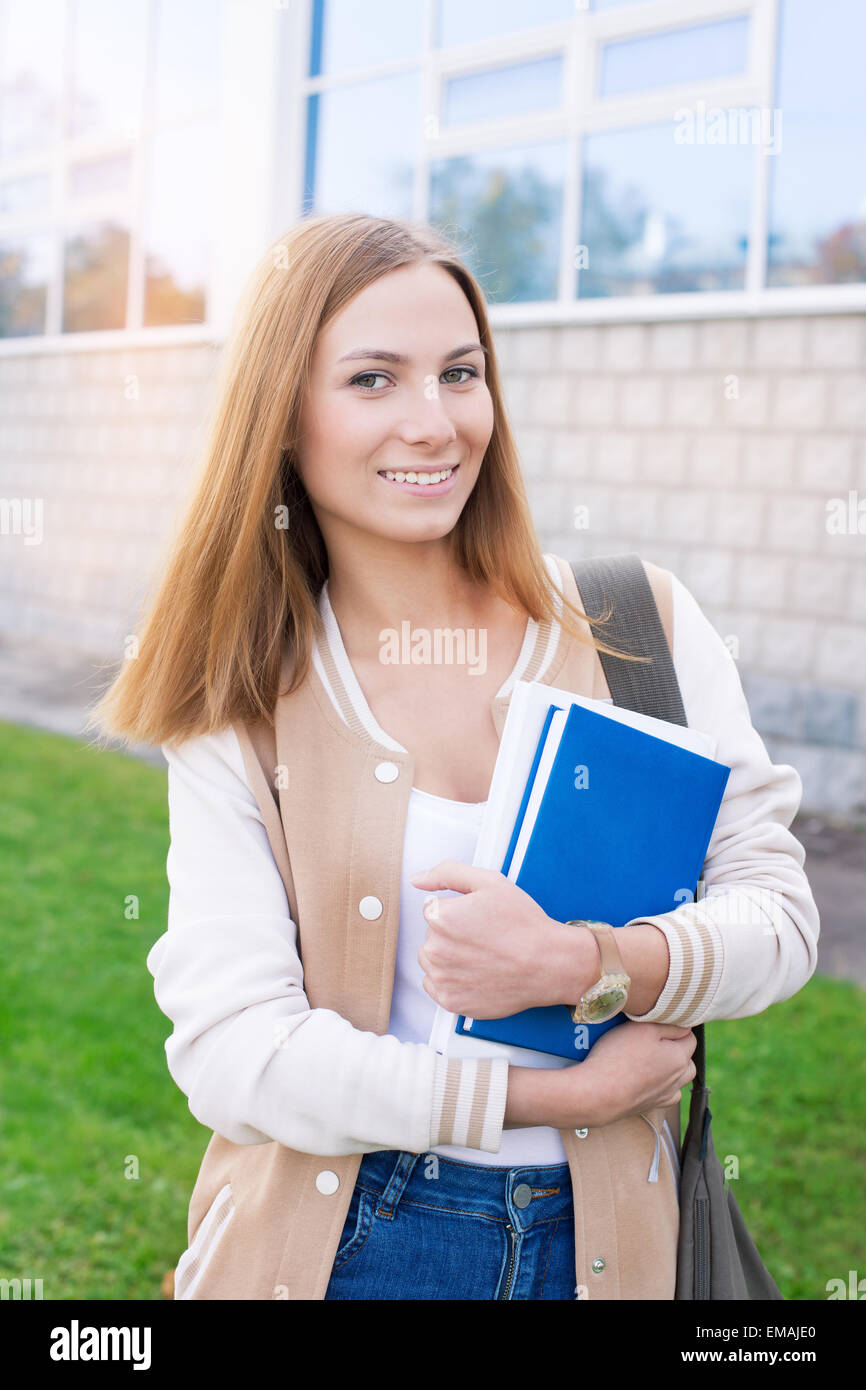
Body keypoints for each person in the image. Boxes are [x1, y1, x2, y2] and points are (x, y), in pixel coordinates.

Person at [87, 212, 819, 1301]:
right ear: (281, 416)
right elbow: (236, 1051)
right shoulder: (238, 697)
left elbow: (780, 918)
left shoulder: (637, 625)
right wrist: (533, 1099)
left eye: (459, 374)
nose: (434, 424)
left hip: (611, 1246)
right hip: (345, 1248)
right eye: (373, 380)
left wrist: (587, 963)